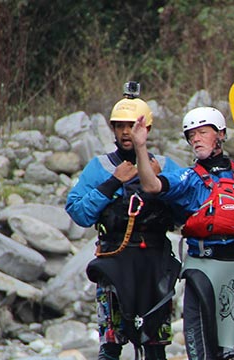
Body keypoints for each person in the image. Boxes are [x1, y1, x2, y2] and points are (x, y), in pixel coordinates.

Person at [133, 106, 234, 359]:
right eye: (191, 135)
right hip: (204, 268)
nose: (196, 139)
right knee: (204, 349)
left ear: (221, 134)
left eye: (202, 132)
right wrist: (140, 147)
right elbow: (151, 185)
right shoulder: (188, 178)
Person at [67, 94, 183, 360]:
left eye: (132, 125)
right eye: (120, 126)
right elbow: (79, 213)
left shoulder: (165, 167)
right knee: (110, 346)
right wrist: (113, 183)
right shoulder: (100, 167)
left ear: (147, 129)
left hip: (155, 265)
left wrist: (161, 182)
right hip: (113, 263)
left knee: (155, 346)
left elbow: (185, 213)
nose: (126, 132)